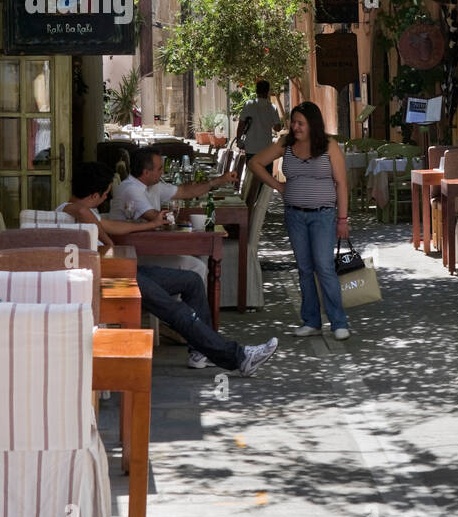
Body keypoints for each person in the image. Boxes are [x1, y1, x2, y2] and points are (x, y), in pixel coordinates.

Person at [64, 162, 277, 376]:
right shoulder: (71, 210)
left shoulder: (88, 212)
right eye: (105, 195)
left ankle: (200, 352)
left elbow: (114, 225)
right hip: (112, 280)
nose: (106, 199)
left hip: (121, 272)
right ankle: (239, 357)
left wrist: (150, 224)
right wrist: (111, 246)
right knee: (176, 311)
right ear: (94, 195)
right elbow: (82, 212)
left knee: (192, 280)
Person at [248, 100, 351, 340]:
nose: (295, 127)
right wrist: (277, 186)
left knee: (324, 267)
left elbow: (341, 184)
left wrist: (343, 219)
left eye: (300, 123)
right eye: (293, 122)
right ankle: (311, 321)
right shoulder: (286, 143)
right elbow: (255, 163)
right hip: (294, 214)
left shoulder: (328, 146)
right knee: (304, 269)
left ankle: (339, 322)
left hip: (323, 215)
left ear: (312, 124)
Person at [109, 146, 238, 281]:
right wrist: (181, 222)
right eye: (159, 169)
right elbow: (154, 217)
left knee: (197, 257)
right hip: (133, 252)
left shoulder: (152, 185)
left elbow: (185, 192)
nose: (162, 172)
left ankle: (177, 299)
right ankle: (183, 301)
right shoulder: (131, 189)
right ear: (146, 172)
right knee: (197, 266)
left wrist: (215, 182)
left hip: (147, 244)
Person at [236, 80, 283, 157]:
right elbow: (278, 128)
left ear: (256, 91)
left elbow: (241, 125)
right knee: (266, 169)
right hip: (266, 149)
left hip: (251, 148)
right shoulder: (272, 107)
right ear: (268, 92)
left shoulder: (248, 105)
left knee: (251, 169)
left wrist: (238, 141)